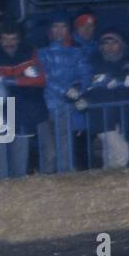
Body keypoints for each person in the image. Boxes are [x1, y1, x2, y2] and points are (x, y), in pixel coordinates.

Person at [0, 20, 44, 177]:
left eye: (13, 38)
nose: (9, 43)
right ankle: (2, 201)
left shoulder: (28, 54)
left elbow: (39, 80)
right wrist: (20, 80)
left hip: (23, 115)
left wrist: (13, 81)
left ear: (19, 39)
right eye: (5, 38)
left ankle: (16, 200)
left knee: (20, 165)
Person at [37, 11, 92, 171]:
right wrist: (66, 91)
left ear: (68, 30)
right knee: (49, 153)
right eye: (56, 27)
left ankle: (65, 186)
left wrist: (78, 88)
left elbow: (86, 73)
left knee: (65, 151)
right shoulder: (41, 53)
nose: (60, 31)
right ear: (50, 30)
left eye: (63, 27)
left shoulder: (77, 52)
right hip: (44, 108)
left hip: (66, 108)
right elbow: (44, 77)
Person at [83, 28, 129, 168]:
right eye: (106, 43)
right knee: (123, 152)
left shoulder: (128, 62)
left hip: (120, 114)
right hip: (101, 115)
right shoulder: (93, 63)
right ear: (101, 46)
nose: (110, 46)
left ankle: (108, 184)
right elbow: (88, 85)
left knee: (110, 155)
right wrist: (108, 81)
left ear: (121, 44)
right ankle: (117, 183)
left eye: (114, 42)